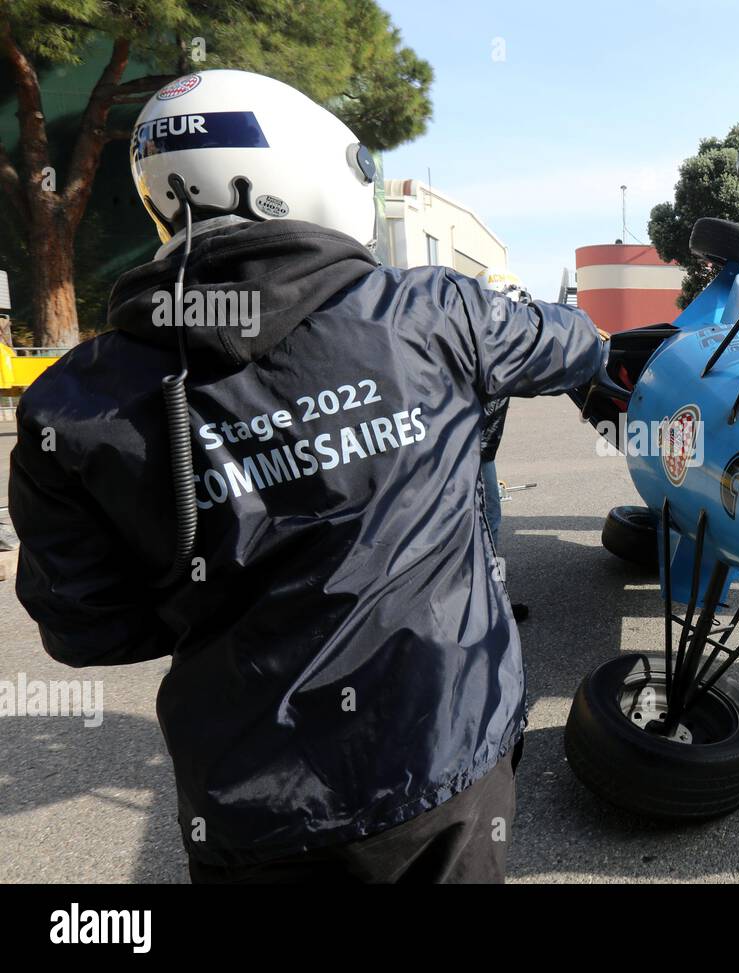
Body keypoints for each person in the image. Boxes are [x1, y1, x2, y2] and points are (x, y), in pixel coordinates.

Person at [9, 69, 608, 883]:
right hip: (443, 765)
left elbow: (87, 630)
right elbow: (578, 343)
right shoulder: (432, 313)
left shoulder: (66, 405)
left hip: (245, 806)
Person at [475, 267, 533, 623]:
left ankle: (489, 599)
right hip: (464, 451)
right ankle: (487, 605)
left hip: (477, 449)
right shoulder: (481, 345)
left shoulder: (490, 339)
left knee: (487, 520)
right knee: (483, 521)